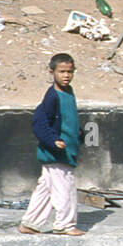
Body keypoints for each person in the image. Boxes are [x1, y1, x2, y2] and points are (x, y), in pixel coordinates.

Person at [18, 53, 85, 236]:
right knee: (65, 187)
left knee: (46, 189)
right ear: (51, 72)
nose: (66, 75)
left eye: (69, 72)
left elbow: (69, 119)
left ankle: (30, 223)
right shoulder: (52, 96)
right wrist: (53, 141)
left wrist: (79, 134)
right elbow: (39, 121)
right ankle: (65, 224)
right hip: (57, 152)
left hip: (65, 150)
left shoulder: (68, 92)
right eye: (61, 71)